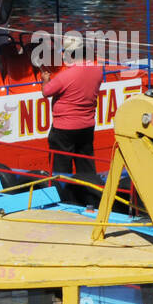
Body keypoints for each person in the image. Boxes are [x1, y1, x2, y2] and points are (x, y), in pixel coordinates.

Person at [40, 36, 105, 206]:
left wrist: (45, 80)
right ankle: (93, 200)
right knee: (86, 166)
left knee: (61, 169)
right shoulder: (98, 71)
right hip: (87, 125)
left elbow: (47, 92)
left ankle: (65, 202)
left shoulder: (66, 76)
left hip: (64, 129)